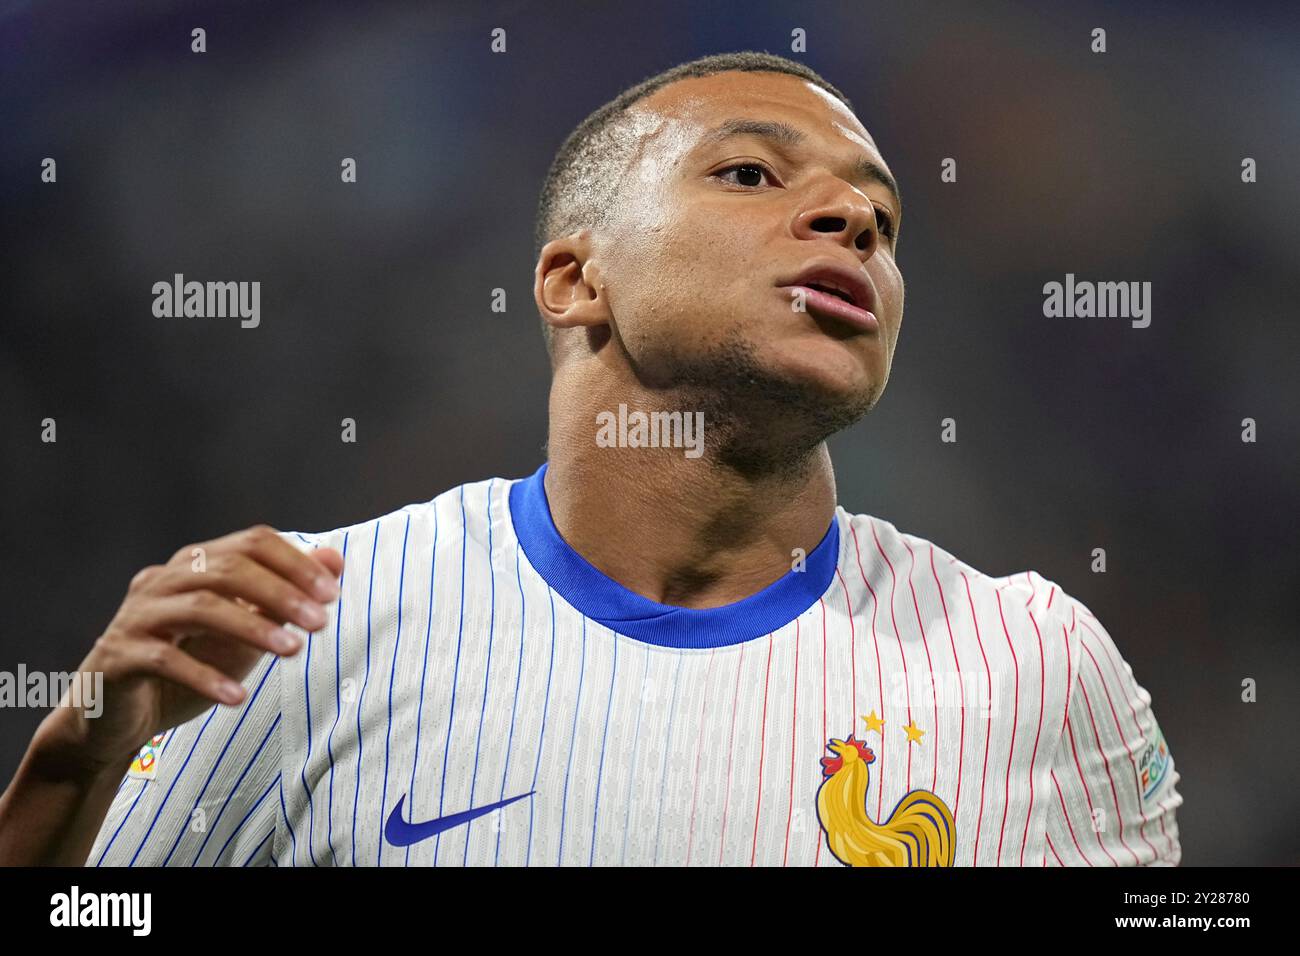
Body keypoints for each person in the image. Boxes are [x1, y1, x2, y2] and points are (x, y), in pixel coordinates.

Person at [0, 51, 1181, 867]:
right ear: (575, 279)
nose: (853, 222)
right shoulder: (303, 625)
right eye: (751, 174)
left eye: (881, 217)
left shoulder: (1030, 662)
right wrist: (72, 762)